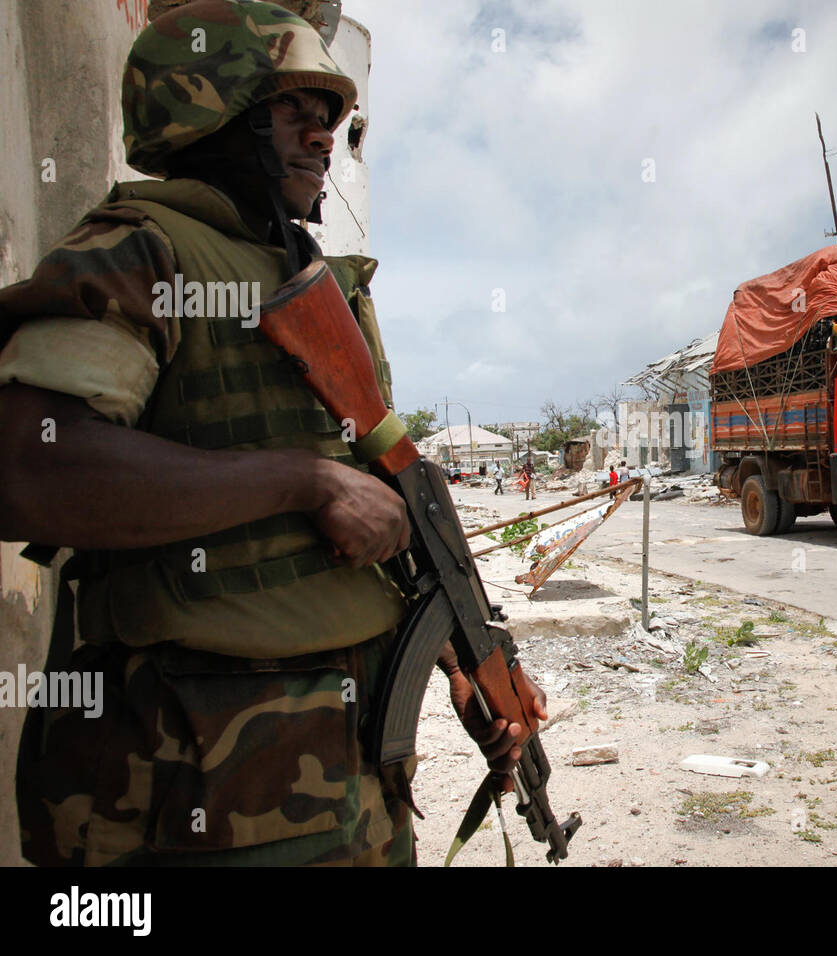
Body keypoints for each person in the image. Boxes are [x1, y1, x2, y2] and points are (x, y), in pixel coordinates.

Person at [0, 0, 542, 867]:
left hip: (352, 783)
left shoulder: (327, 290)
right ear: (206, 107)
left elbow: (396, 508)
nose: (325, 135)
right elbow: (29, 468)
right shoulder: (141, 252)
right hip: (188, 783)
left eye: (331, 115)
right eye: (293, 109)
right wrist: (302, 482)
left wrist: (466, 660)